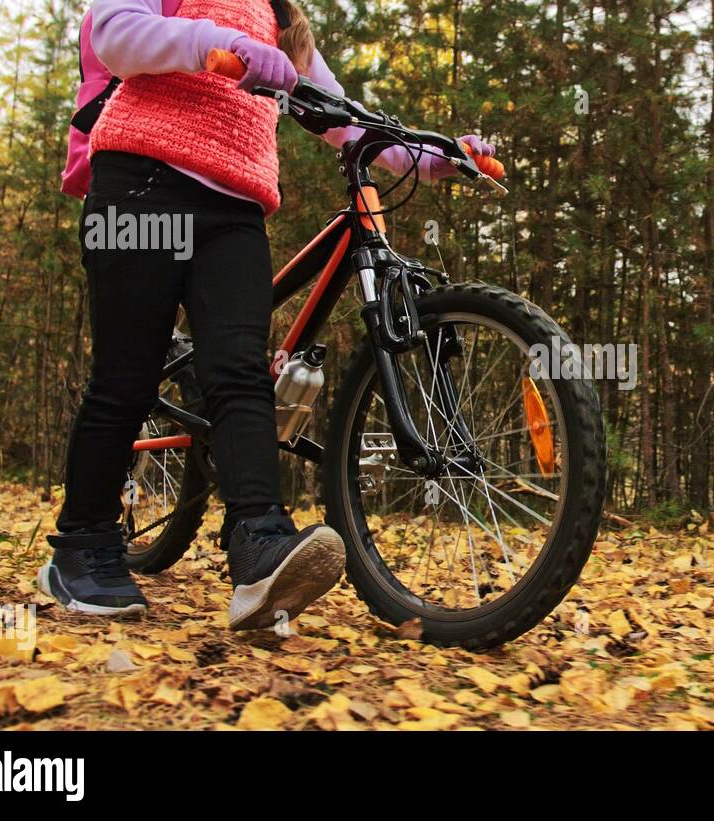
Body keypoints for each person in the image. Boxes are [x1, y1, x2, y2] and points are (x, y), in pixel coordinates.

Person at [41, 0, 496, 630]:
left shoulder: (282, 19)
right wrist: (213, 45)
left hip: (235, 209)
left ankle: (258, 546)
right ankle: (84, 544)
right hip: (141, 182)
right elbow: (114, 34)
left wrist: (429, 155)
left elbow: (347, 118)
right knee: (127, 373)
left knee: (240, 371)